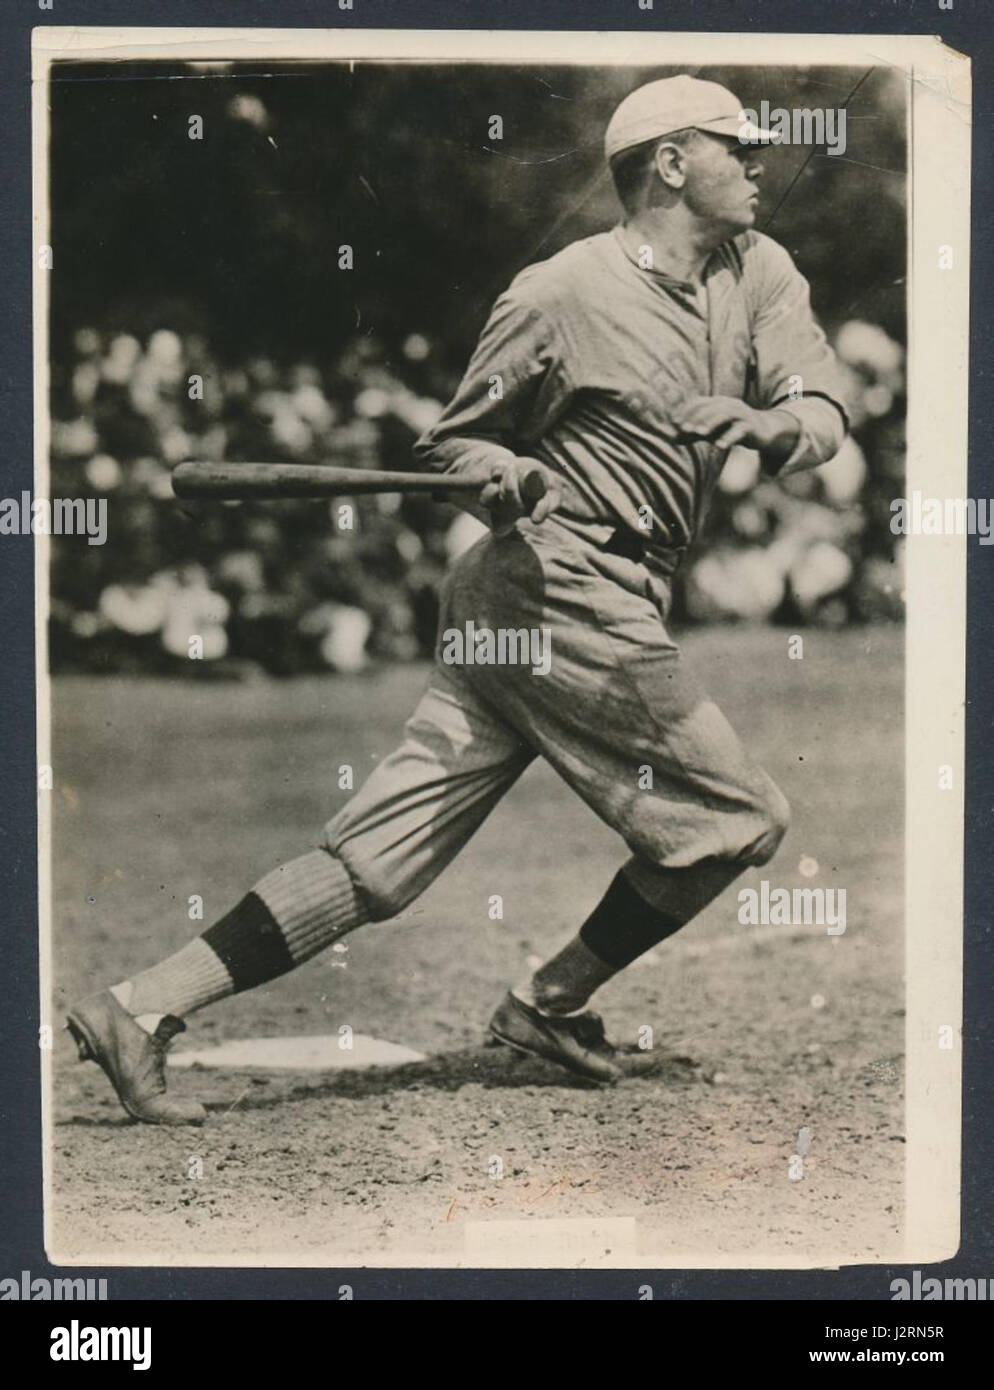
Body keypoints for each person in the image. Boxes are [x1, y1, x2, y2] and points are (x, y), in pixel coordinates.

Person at [67, 75, 850, 1124]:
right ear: (669, 161)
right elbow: (451, 440)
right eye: (734, 146)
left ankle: (140, 1005)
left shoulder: (760, 268)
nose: (757, 162)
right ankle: (549, 1000)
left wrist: (778, 428)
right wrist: (498, 470)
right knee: (742, 812)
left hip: (582, 597)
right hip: (551, 583)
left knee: (378, 862)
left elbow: (821, 403)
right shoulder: (557, 291)